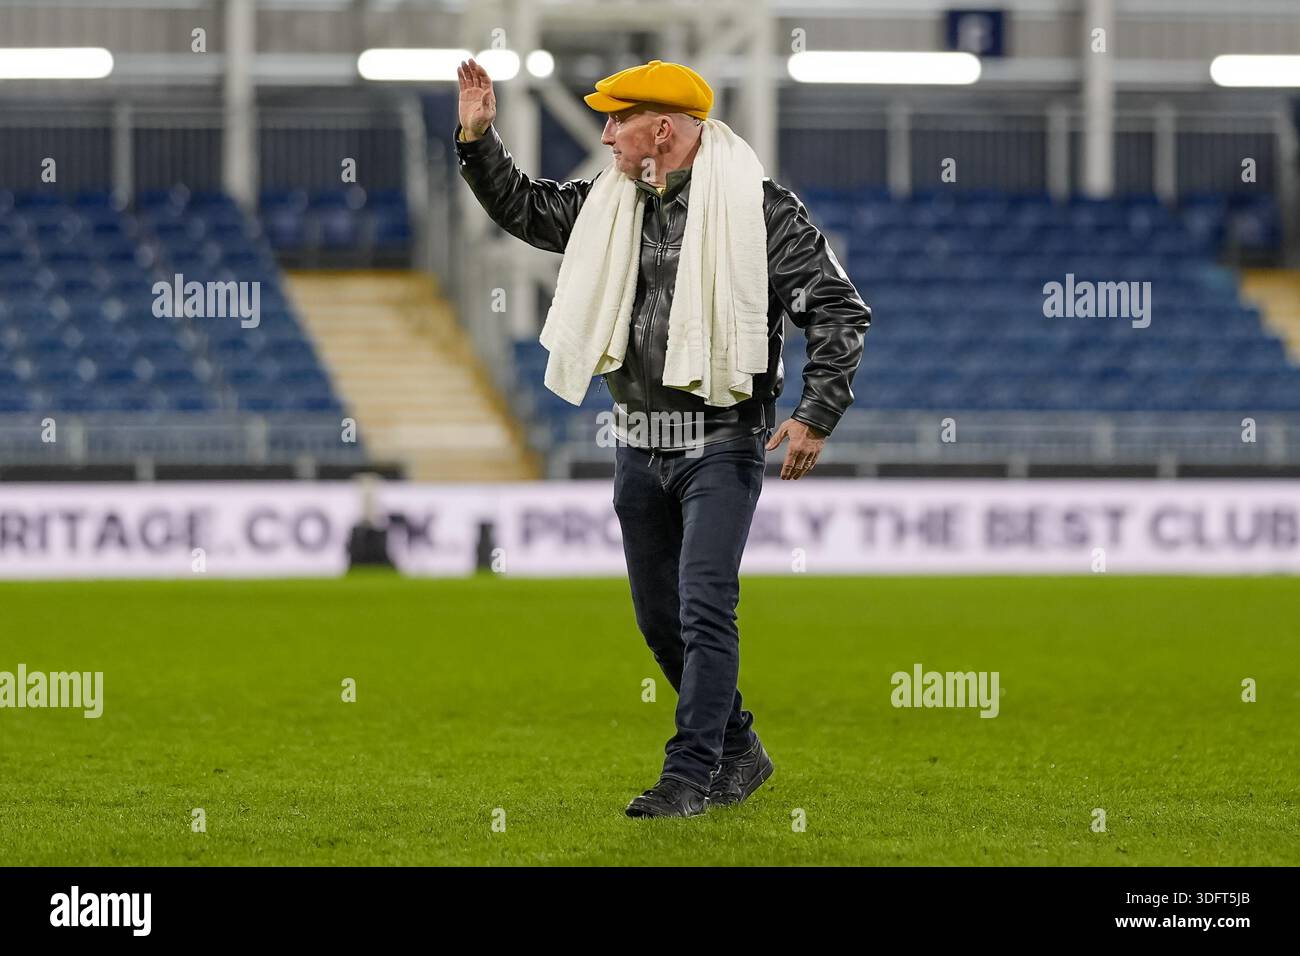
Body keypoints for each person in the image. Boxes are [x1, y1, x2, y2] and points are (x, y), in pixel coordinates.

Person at [455, 58, 871, 817]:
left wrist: (816, 412)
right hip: (638, 443)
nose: (606, 133)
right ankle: (741, 748)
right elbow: (522, 208)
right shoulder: (610, 203)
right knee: (660, 620)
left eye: (618, 119)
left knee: (704, 605)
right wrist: (479, 141)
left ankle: (689, 776)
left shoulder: (762, 210)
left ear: (665, 129)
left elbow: (838, 309)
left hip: (721, 441)